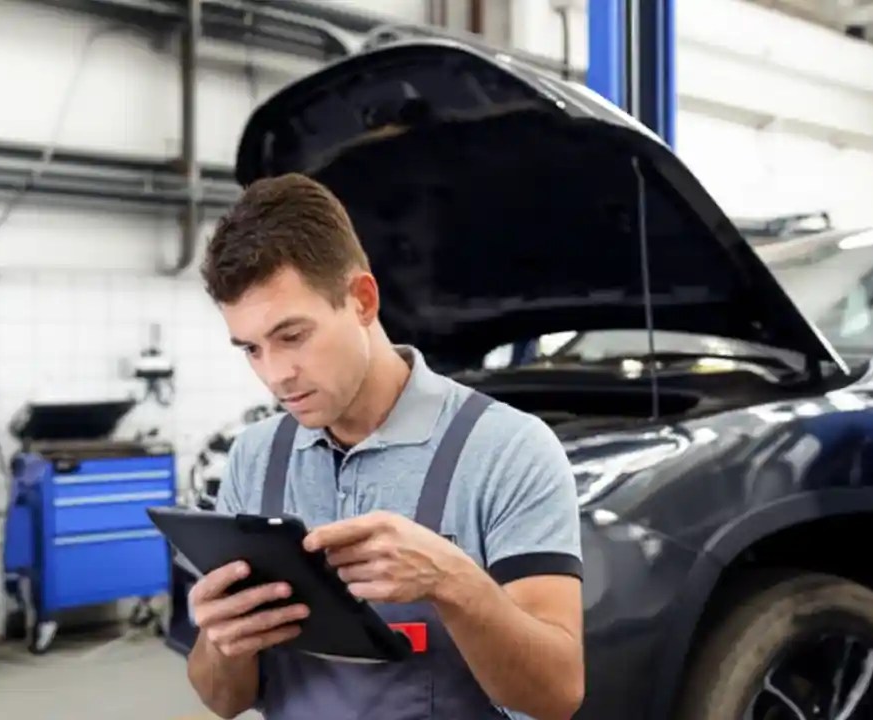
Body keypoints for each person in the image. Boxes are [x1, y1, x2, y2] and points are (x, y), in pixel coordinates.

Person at [184, 173, 586, 720]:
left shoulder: (508, 451)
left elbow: (556, 694)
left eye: (293, 336)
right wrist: (220, 639)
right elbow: (223, 700)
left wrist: (453, 582)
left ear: (362, 301)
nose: (275, 375)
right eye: (251, 348)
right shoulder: (255, 460)